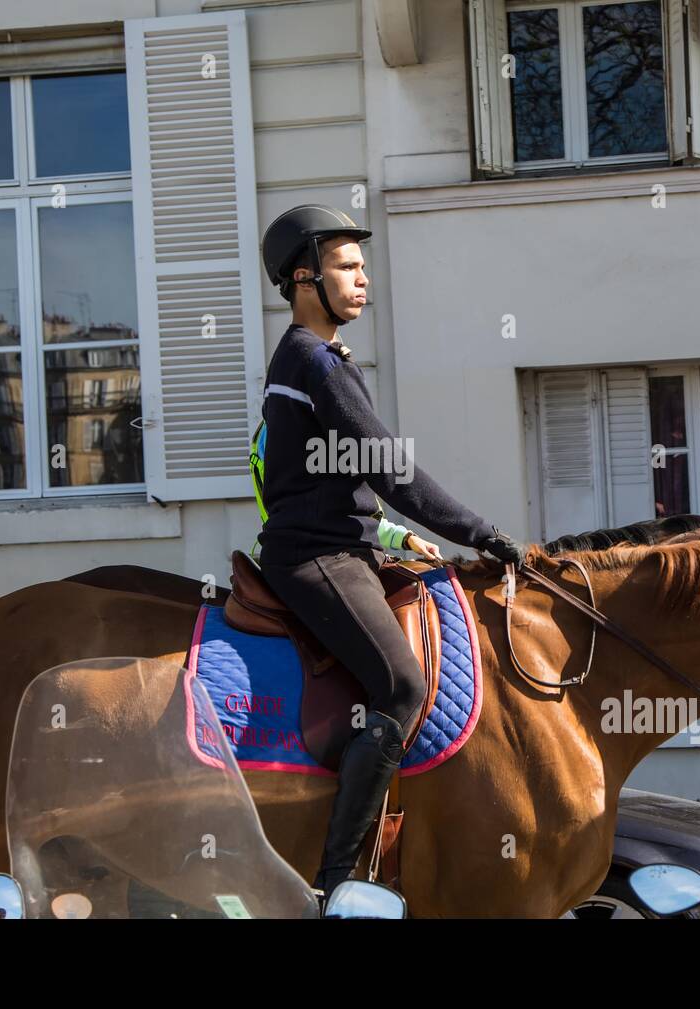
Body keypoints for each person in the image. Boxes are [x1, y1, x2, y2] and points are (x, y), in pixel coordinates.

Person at [253, 204, 525, 898]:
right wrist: (483, 531)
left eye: (363, 266)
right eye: (347, 266)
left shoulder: (312, 359)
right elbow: (390, 469)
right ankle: (335, 882)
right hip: (318, 558)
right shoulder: (313, 362)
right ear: (304, 277)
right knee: (403, 686)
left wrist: (407, 542)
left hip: (349, 548)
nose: (363, 279)